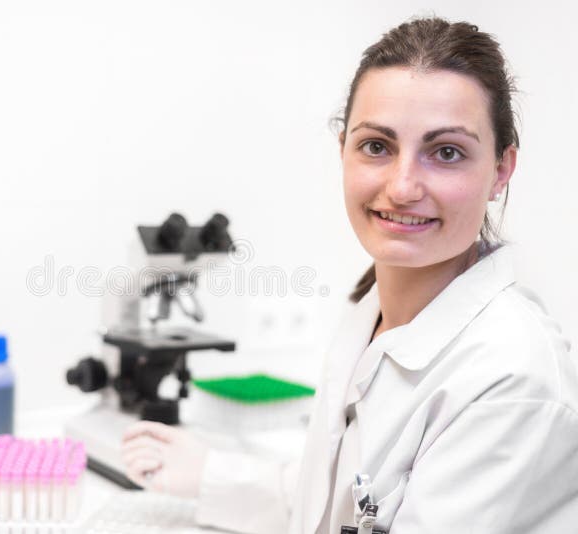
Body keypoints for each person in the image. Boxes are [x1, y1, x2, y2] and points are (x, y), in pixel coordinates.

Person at [120, 16, 578, 533]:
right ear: (343, 151)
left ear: (500, 170)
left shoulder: (512, 379)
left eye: (446, 152)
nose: (403, 186)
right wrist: (210, 475)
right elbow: (335, 501)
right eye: (377, 146)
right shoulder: (370, 315)